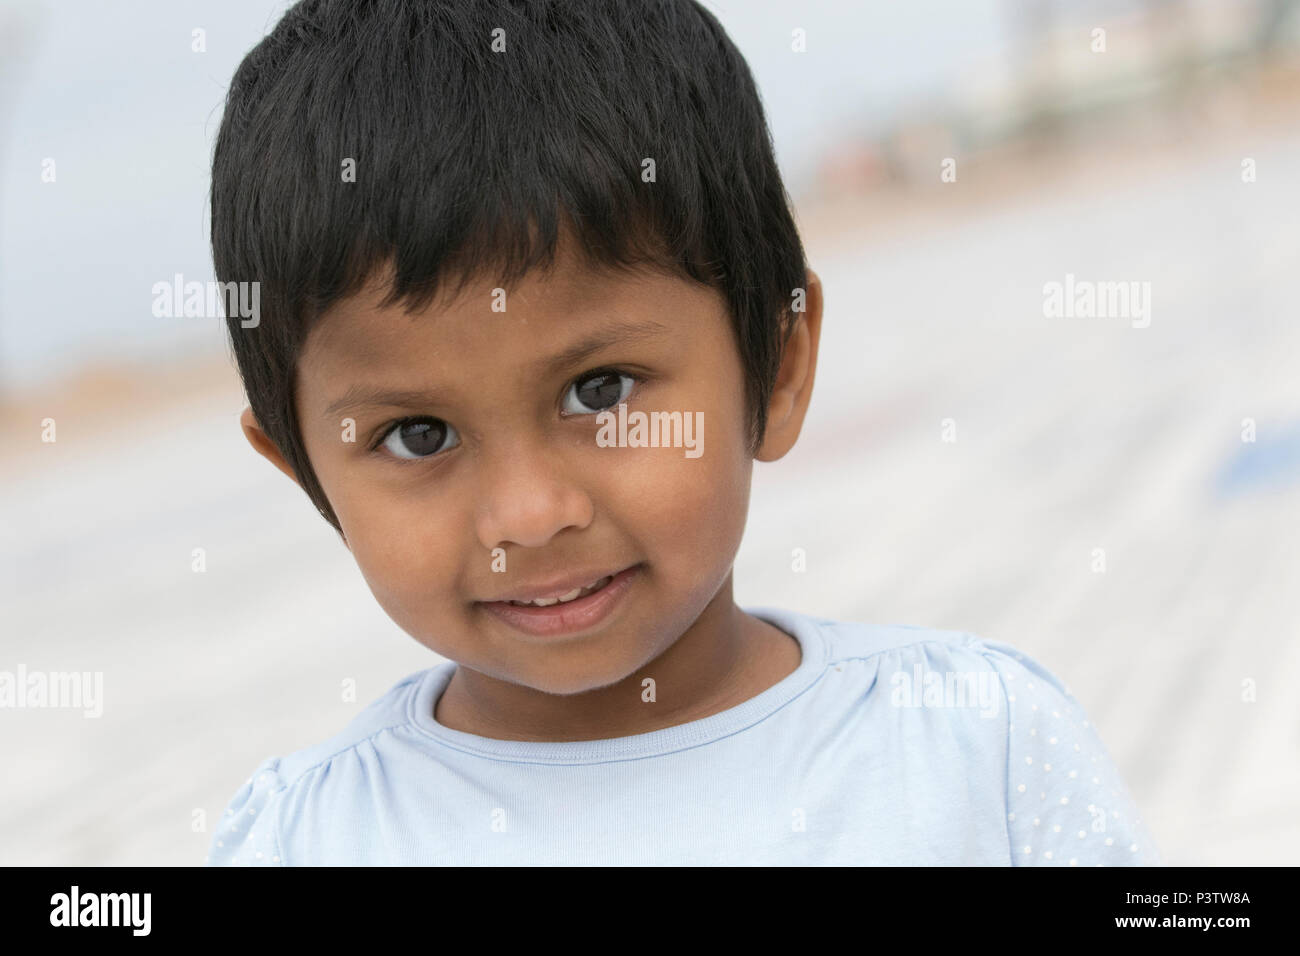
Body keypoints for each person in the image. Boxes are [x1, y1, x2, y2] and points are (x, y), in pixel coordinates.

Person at [205, 0, 1159, 865]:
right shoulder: (308, 841)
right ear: (306, 474)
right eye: (417, 435)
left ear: (776, 367)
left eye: (600, 390)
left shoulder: (968, 743)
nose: (531, 516)